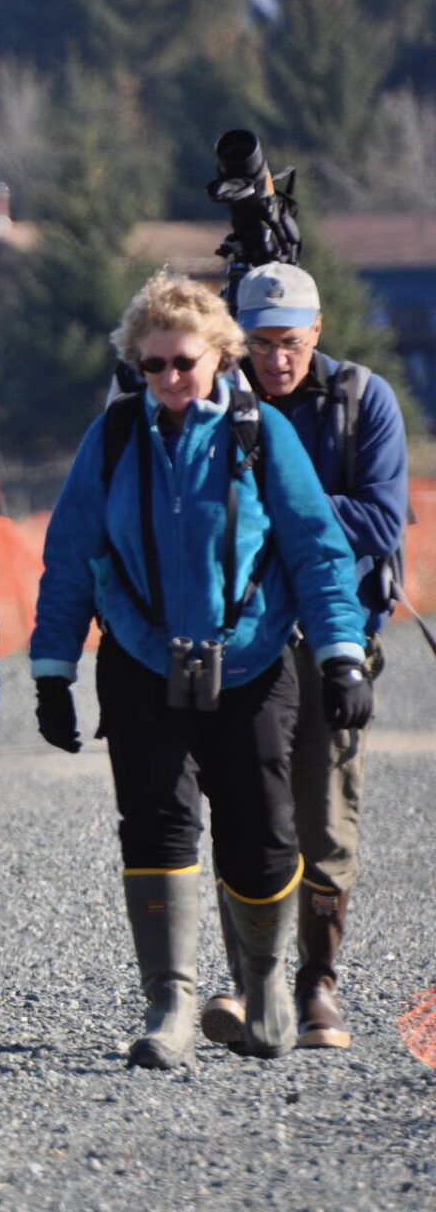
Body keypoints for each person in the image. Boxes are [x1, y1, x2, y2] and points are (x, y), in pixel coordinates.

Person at [29, 270, 372, 1066]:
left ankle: (263, 984)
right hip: (143, 662)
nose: (169, 380)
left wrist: (342, 654)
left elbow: (319, 551)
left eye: (183, 362)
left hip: (252, 661)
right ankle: (171, 1003)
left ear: (220, 355)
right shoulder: (113, 437)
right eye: (151, 366)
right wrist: (51, 669)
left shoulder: (261, 434)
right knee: (156, 825)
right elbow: (71, 555)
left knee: (263, 834)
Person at [205, 262, 409, 1053]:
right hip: (243, 639)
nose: (276, 359)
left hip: (337, 639)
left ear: (316, 333)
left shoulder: (364, 402)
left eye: (290, 343)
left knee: (325, 816)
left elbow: (382, 520)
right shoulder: (217, 403)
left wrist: (282, 501)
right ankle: (252, 983)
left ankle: (316, 983)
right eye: (260, 343)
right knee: (246, 807)